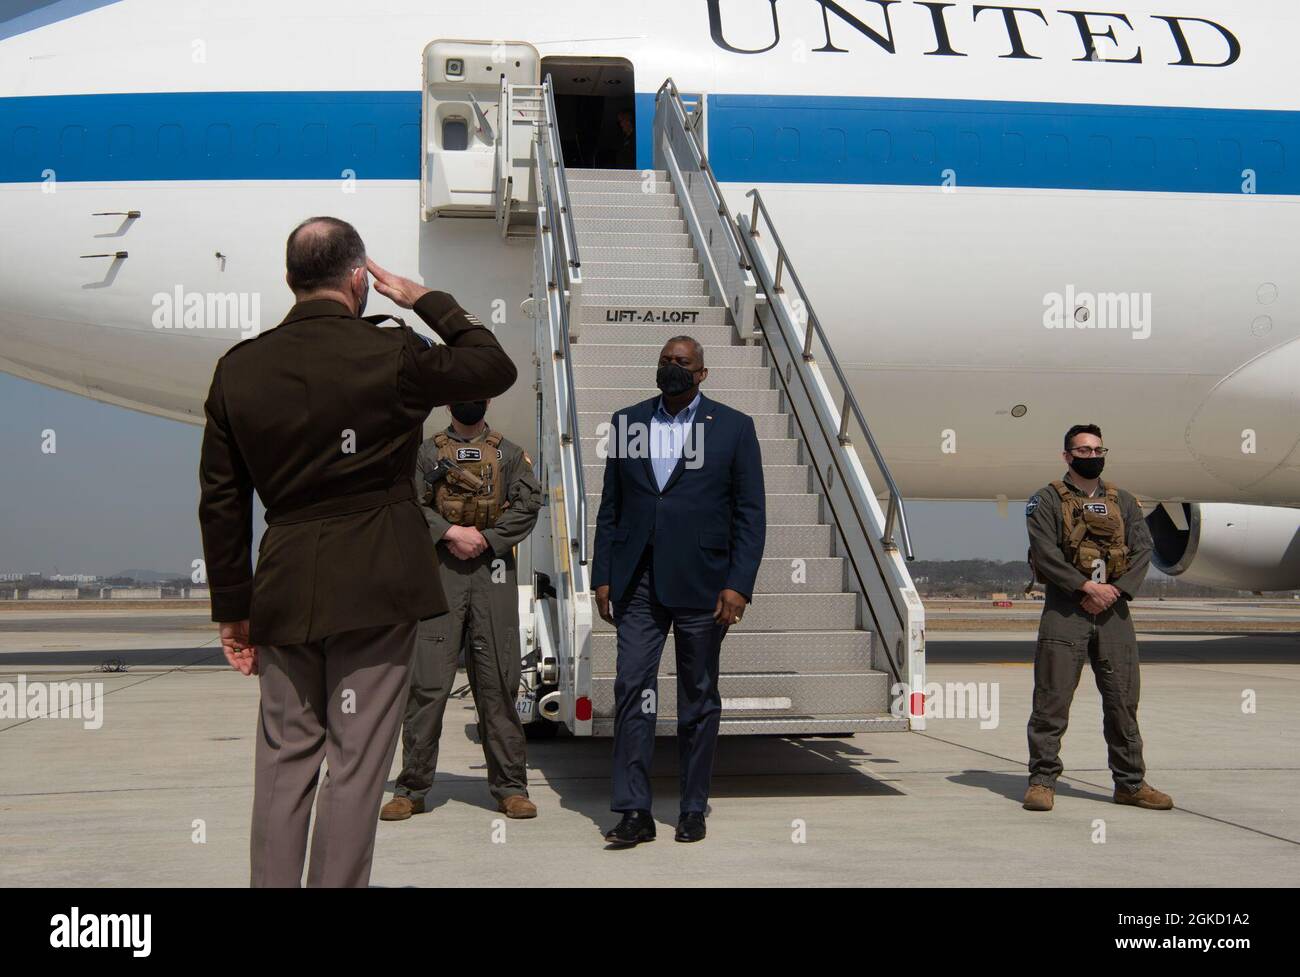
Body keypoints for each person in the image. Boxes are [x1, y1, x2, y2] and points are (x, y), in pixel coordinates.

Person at [198, 216, 516, 886]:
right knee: (356, 767)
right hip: (376, 583)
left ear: (290, 280)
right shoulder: (390, 351)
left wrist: (234, 611)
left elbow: (223, 503)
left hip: (284, 586)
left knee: (285, 763)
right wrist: (423, 298)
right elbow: (492, 365)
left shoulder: (239, 370)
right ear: (356, 278)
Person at [592, 336, 766, 846]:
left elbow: (750, 515)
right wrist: (602, 573)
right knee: (632, 691)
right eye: (666, 361)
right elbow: (611, 507)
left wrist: (739, 584)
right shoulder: (628, 423)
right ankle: (633, 811)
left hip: (703, 585)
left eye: (683, 363)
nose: (673, 368)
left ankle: (692, 808)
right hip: (638, 581)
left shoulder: (734, 428)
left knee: (697, 698)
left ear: (702, 374)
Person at [381, 401, 542, 822]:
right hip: (441, 572)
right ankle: (411, 789)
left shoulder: (509, 454)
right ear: (450, 402)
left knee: (499, 683)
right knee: (428, 684)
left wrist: (487, 539)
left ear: (488, 402)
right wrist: (450, 531)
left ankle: (510, 787)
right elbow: (409, 502)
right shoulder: (426, 455)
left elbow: (529, 504)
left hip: (492, 572)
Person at [1023, 423, 1172, 813]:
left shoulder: (1123, 501)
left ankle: (1130, 783)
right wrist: (1085, 587)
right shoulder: (1046, 500)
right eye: (1083, 451)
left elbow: (1142, 550)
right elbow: (1044, 552)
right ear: (1067, 456)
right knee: (1052, 700)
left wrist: (1116, 591)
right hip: (1065, 609)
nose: (1091, 456)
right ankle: (1041, 781)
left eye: (1097, 450)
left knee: (1123, 701)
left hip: (1114, 612)